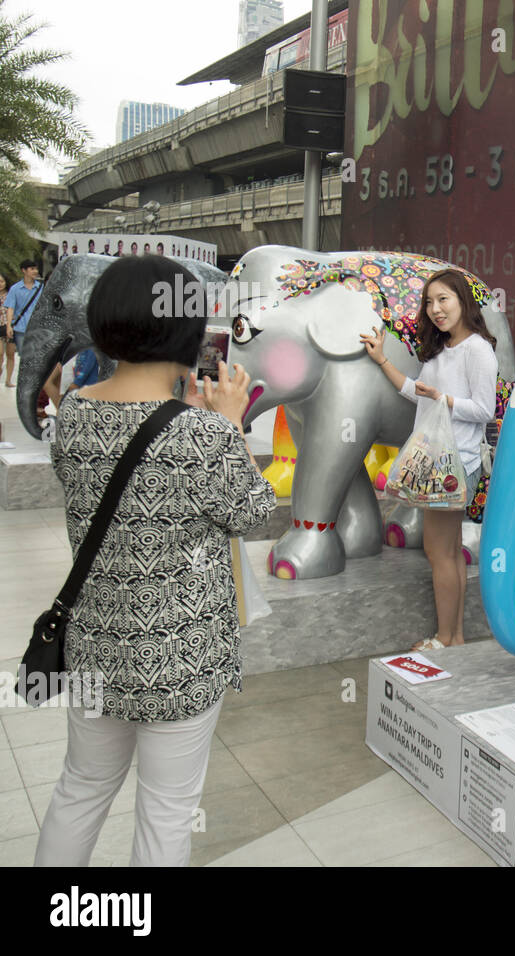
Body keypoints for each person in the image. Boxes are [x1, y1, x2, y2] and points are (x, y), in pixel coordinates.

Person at [34, 255, 276, 867]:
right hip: (180, 656)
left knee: (80, 788)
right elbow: (252, 512)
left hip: (94, 643)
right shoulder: (202, 435)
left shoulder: (76, 414)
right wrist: (229, 425)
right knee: (166, 810)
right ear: (186, 330)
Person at [360, 270, 498, 651]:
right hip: (440, 465)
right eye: (429, 302)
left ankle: (445, 637)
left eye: (444, 300)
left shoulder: (477, 350)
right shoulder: (444, 349)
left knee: (439, 552)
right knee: (448, 552)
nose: (436, 309)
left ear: (462, 302)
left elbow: (485, 409)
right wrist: (382, 360)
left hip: (456, 465)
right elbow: (417, 393)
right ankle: (454, 637)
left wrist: (443, 399)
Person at [4, 259, 62, 405]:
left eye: (35, 269)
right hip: (21, 329)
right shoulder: (15, 289)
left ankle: (34, 391)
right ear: (24, 270)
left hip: (39, 329)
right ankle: (26, 390)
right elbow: (10, 308)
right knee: (26, 360)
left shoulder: (41, 287)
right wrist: (9, 326)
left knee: (38, 360)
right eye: (32, 269)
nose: (35, 271)